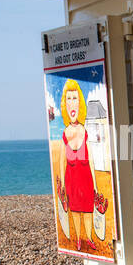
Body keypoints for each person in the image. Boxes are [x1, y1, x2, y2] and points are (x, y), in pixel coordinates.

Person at [57, 79, 96, 251]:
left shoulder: (84, 131)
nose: (72, 103)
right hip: (71, 180)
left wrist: (95, 183)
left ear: (80, 103)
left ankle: (89, 238)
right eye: (69, 99)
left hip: (85, 178)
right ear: (65, 104)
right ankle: (79, 240)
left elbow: (92, 160)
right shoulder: (64, 134)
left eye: (75, 98)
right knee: (75, 211)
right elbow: (61, 161)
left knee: (87, 210)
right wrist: (62, 187)